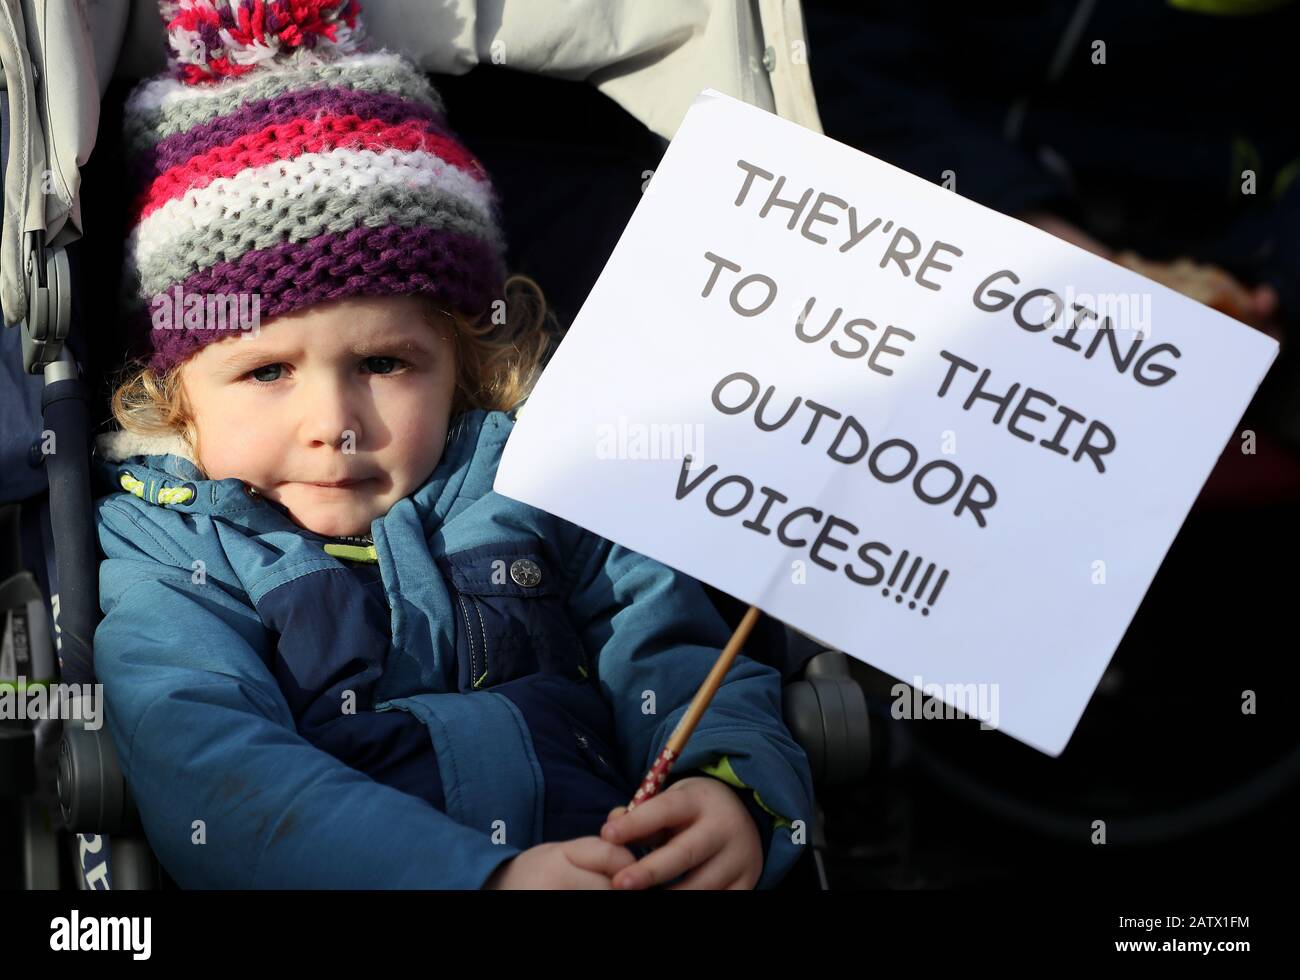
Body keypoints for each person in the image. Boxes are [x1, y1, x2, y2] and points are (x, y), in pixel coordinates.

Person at [92, 0, 813, 890]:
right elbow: (215, 763)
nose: (335, 421)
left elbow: (669, 647)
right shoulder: (173, 550)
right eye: (267, 372)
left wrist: (727, 782)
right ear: (175, 394)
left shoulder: (542, 482)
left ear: (461, 365)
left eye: (385, 361)